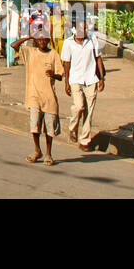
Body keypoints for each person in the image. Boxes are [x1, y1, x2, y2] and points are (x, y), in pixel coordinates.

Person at [11, 27, 63, 165]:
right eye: (39, 39)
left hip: (49, 97)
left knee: (49, 128)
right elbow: (14, 45)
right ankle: (37, 150)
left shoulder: (53, 54)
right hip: (33, 95)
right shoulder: (30, 52)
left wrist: (53, 75)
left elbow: (60, 75)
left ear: (48, 40)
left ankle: (48, 154)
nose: (41, 41)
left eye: (44, 39)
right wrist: (29, 37)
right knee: (35, 126)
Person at [61, 22, 105, 150]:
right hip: (75, 79)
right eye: (82, 28)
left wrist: (102, 78)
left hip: (91, 78)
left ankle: (85, 140)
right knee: (79, 106)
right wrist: (66, 82)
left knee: (89, 111)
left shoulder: (92, 40)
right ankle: (72, 127)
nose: (85, 31)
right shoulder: (68, 43)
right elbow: (67, 63)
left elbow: (98, 59)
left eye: (86, 28)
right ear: (75, 30)